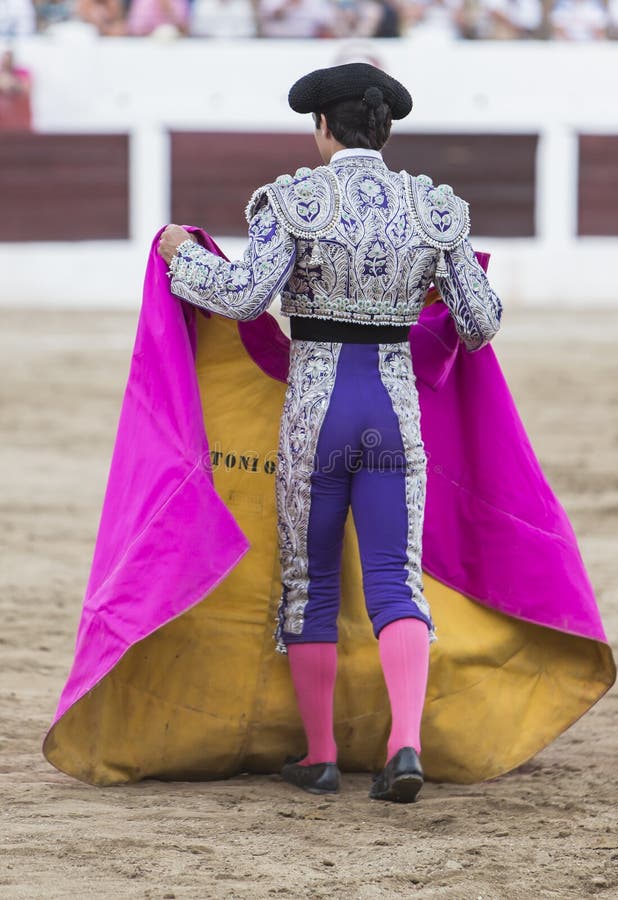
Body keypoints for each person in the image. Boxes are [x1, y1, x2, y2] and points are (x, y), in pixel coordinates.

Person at [158, 62, 502, 803]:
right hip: (392, 407)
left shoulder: (293, 200)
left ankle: (318, 758)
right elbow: (480, 324)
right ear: (385, 130)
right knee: (394, 581)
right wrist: (433, 277)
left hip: (318, 408)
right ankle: (403, 748)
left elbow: (247, 297)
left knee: (309, 583)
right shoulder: (433, 209)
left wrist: (180, 256)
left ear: (322, 127)